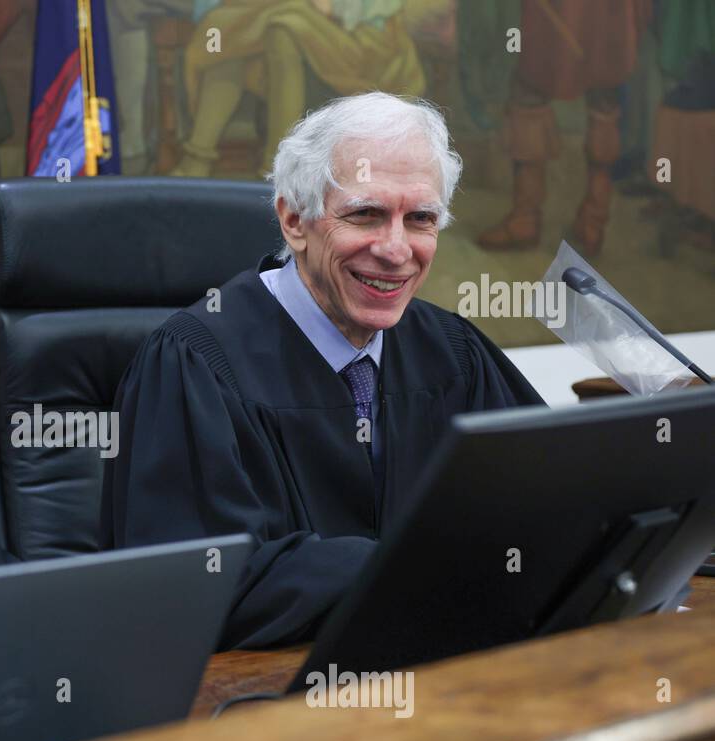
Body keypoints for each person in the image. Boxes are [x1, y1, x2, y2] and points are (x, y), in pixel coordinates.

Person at [102, 91, 545, 651]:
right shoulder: (192, 364)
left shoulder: (452, 353)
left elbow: (545, 508)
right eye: (365, 214)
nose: (395, 249)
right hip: (269, 702)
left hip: (446, 679)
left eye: (421, 219)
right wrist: (415, 566)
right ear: (294, 220)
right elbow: (191, 587)